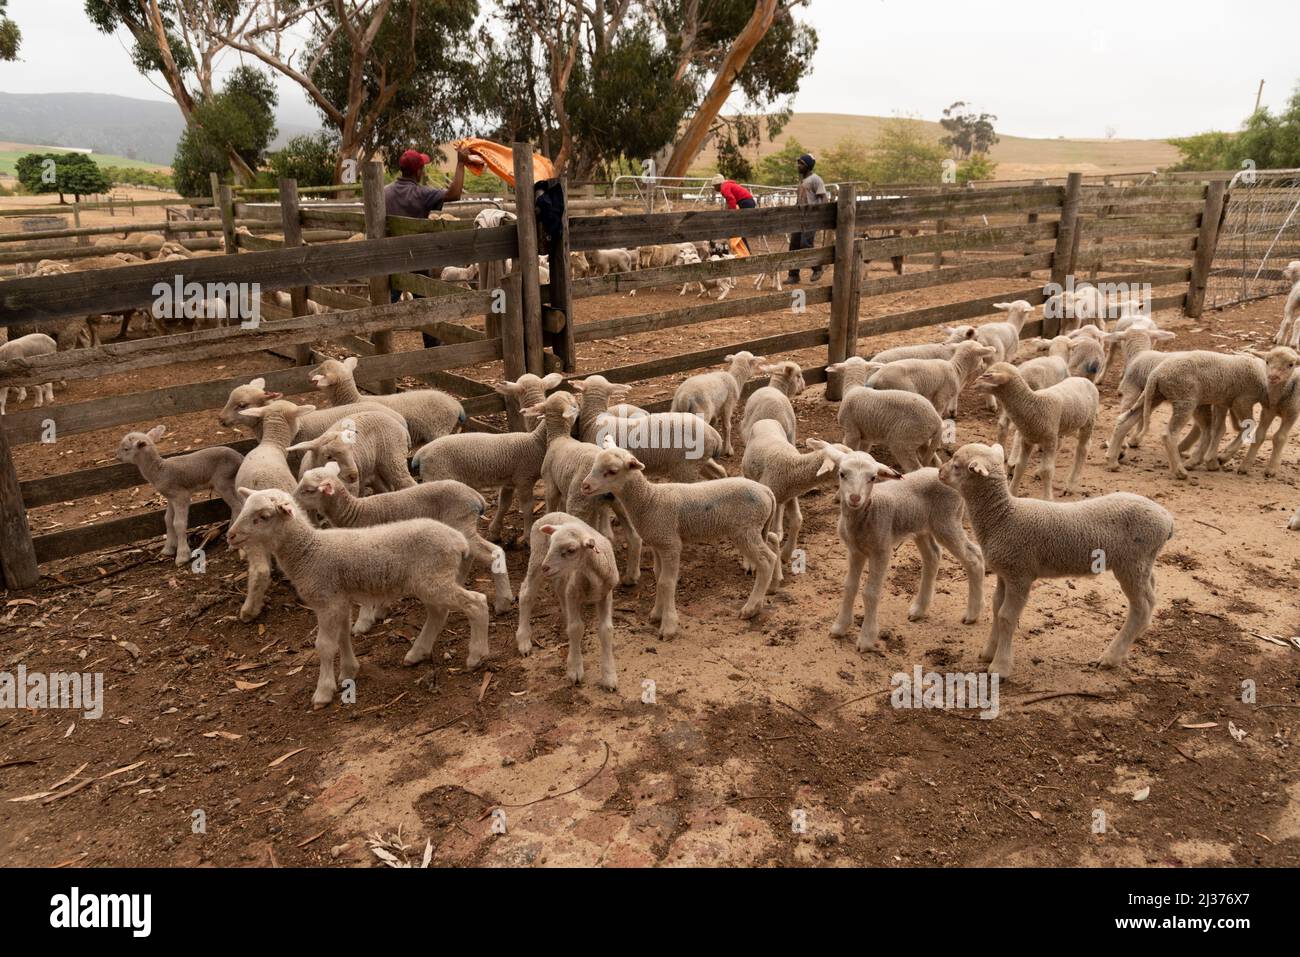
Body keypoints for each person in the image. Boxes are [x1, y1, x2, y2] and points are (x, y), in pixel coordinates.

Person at [385, 145, 473, 347]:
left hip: (389, 260)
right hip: (416, 258)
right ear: (418, 171)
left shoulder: (385, 192)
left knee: (384, 307)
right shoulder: (421, 194)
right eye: (422, 167)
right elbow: (455, 193)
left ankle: (375, 347)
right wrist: (460, 163)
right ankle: (432, 348)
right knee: (424, 306)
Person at [787, 153, 829, 285]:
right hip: (799, 218)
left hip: (811, 218)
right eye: (798, 163)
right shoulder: (802, 181)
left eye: (802, 164)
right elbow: (800, 199)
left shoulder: (816, 179)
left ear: (808, 166)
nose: (798, 166)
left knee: (805, 244)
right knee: (793, 246)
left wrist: (821, 214)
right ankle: (793, 275)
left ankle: (817, 268)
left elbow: (823, 197)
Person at [711, 174, 757, 255]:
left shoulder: (724, 187)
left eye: (715, 186)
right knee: (739, 229)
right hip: (748, 202)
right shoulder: (728, 185)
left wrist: (732, 214)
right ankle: (745, 251)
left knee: (738, 229)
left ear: (718, 184)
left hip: (745, 203)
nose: (714, 188)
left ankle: (744, 252)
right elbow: (730, 201)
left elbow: (731, 199)